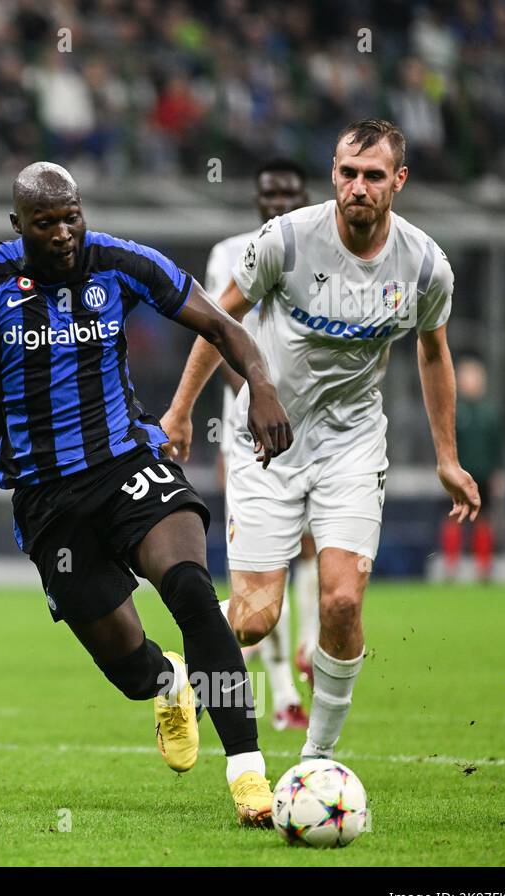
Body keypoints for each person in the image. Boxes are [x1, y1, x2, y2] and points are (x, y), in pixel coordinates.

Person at [0, 161, 293, 827]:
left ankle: (249, 774)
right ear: (17, 226)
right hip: (48, 501)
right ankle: (167, 684)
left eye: (70, 217)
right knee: (126, 666)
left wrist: (259, 383)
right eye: (45, 223)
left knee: (193, 591)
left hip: (127, 465)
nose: (62, 233)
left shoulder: (119, 262)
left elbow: (222, 324)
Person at [161, 119, 480, 763]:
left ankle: (318, 759)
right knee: (255, 618)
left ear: (399, 181)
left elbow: (434, 352)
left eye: (373, 176)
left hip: (353, 445)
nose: (358, 187)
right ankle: (178, 675)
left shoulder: (424, 265)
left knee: (339, 598)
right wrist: (179, 412)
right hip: (268, 443)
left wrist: (447, 457)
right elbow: (218, 320)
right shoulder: (286, 239)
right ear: (334, 175)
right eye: (348, 174)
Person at [203, 157, 315, 726]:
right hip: (248, 436)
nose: (279, 203)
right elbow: (220, 334)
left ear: (304, 195)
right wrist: (260, 396)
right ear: (257, 200)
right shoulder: (230, 254)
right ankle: (282, 694)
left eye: (289, 193)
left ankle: (309, 650)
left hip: (317, 435)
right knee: (259, 572)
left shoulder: (323, 249)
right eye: (269, 194)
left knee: (310, 555)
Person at [442, 355, 503, 580]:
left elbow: (499, 446)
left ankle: (484, 568)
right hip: (459, 475)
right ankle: (451, 567)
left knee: (484, 519)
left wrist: (498, 473)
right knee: (454, 518)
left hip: (484, 476)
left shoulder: (490, 413)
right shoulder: (454, 412)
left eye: (475, 377)